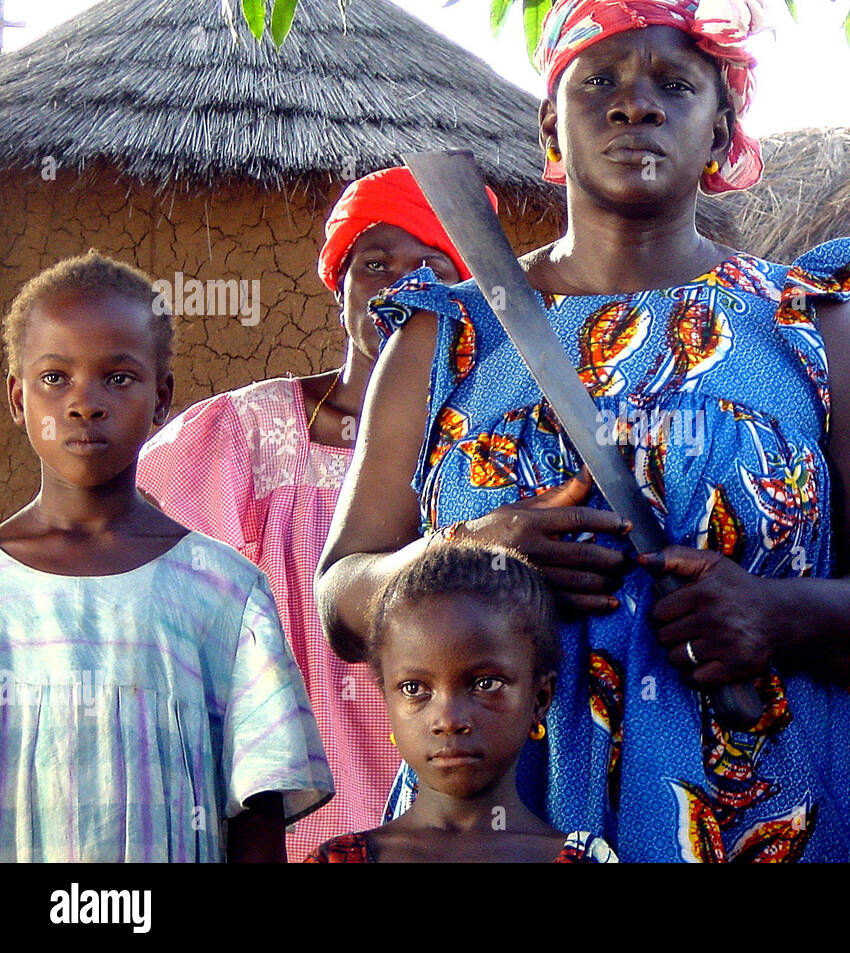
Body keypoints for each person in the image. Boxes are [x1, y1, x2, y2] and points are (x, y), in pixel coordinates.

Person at [318, 0, 850, 862]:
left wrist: (780, 613)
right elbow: (342, 595)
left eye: (674, 83)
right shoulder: (444, 339)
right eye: (600, 82)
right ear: (553, 122)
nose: (637, 105)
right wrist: (461, 556)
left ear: (721, 124)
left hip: (756, 818)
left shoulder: (813, 330)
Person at [137, 168, 487, 860]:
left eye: (431, 265)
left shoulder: (489, 444)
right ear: (340, 285)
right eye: (375, 264)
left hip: (449, 799)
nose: (402, 285)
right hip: (294, 803)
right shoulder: (248, 434)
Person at [0, 252, 332, 861]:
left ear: (162, 399)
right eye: (55, 378)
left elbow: (257, 820)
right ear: (18, 399)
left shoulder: (225, 593)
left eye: (118, 378)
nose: (85, 403)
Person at [306, 541, 617, 862]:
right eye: (414, 688)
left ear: (539, 699)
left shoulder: (584, 858)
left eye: (485, 684)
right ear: (387, 702)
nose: (449, 719)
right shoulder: (339, 858)